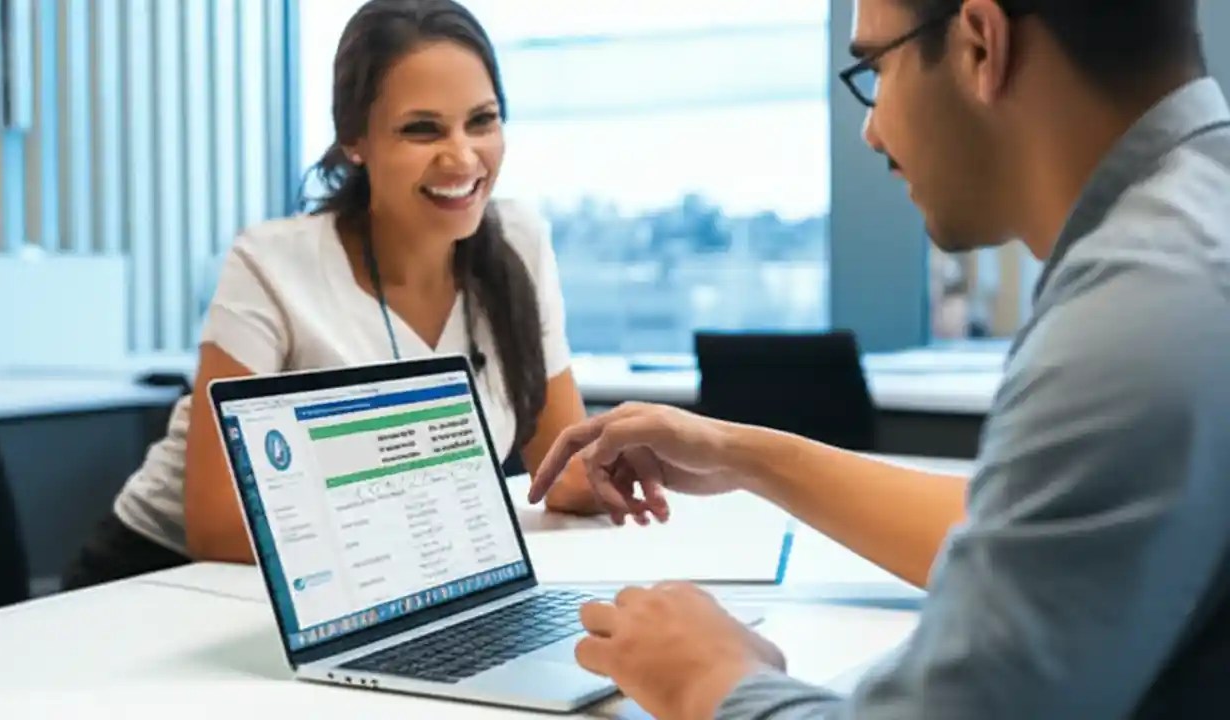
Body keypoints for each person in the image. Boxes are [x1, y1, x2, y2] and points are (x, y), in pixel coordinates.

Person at [529, 0, 1230, 717]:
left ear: (982, 46)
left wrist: (709, 677)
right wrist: (740, 452)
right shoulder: (1196, 231)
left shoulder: (1135, 313)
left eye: (876, 67)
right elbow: (1044, 531)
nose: (868, 129)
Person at [62, 0, 650, 590]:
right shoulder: (271, 265)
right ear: (354, 141)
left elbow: (561, 468)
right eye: (422, 128)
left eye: (482, 121)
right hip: (167, 578)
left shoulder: (519, 243)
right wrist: (437, 532)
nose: (462, 156)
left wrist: (600, 474)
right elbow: (215, 527)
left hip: (378, 582)